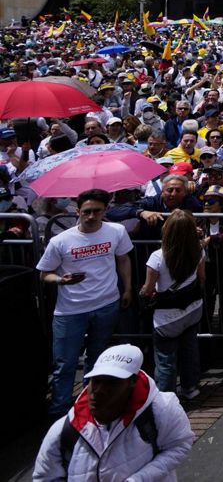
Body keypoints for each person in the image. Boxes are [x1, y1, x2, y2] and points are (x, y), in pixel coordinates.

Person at [35, 189, 134, 417]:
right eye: (86, 212)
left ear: (105, 211)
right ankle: (60, 413)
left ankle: (89, 406)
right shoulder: (60, 241)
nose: (91, 216)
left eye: (97, 211)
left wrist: (127, 288)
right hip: (71, 311)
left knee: (97, 360)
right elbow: (44, 273)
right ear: (78, 212)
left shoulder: (116, 231)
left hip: (107, 305)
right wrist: (61, 280)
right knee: (65, 364)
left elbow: (123, 259)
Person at [32, 344, 194, 481]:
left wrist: (140, 479)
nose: (99, 391)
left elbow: (180, 445)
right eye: (96, 381)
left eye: (111, 383)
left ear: (133, 382)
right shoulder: (63, 430)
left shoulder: (163, 409)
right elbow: (44, 477)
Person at [139, 210, 204, 400]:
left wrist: (142, 294)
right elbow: (202, 278)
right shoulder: (199, 249)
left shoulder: (157, 257)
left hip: (166, 316)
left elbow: (149, 289)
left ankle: (167, 398)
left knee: (165, 358)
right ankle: (190, 387)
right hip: (192, 308)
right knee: (189, 350)